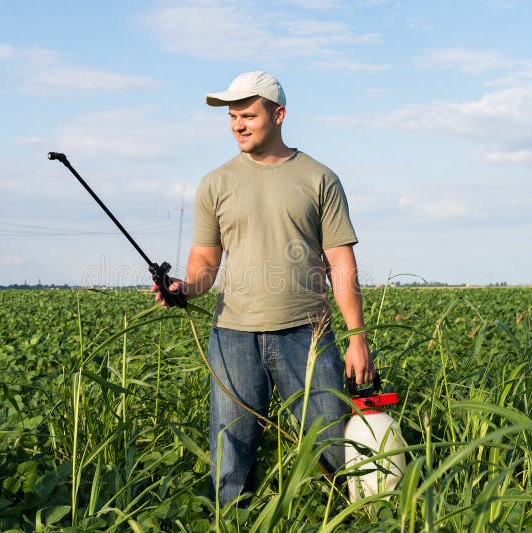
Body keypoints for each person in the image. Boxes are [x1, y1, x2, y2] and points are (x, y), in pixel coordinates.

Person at [152, 70, 374, 506]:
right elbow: (205, 265)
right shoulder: (215, 183)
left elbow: (342, 266)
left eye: (248, 115)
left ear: (279, 114)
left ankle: (343, 516)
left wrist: (357, 340)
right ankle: (231, 518)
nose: (238, 124)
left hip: (306, 334)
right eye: (233, 116)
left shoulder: (319, 178)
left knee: (332, 449)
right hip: (233, 336)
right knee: (230, 456)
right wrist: (184, 287)